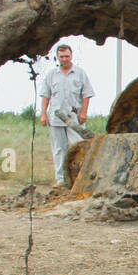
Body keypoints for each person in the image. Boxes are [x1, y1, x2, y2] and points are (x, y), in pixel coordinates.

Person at [38, 43, 95, 187]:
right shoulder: (52, 74)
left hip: (74, 117)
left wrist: (84, 113)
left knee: (78, 146)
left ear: (71, 56)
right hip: (56, 117)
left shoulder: (80, 73)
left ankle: (79, 177)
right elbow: (46, 95)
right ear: (57, 58)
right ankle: (61, 179)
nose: (64, 59)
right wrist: (43, 114)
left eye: (67, 56)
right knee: (59, 148)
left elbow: (87, 94)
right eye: (61, 56)